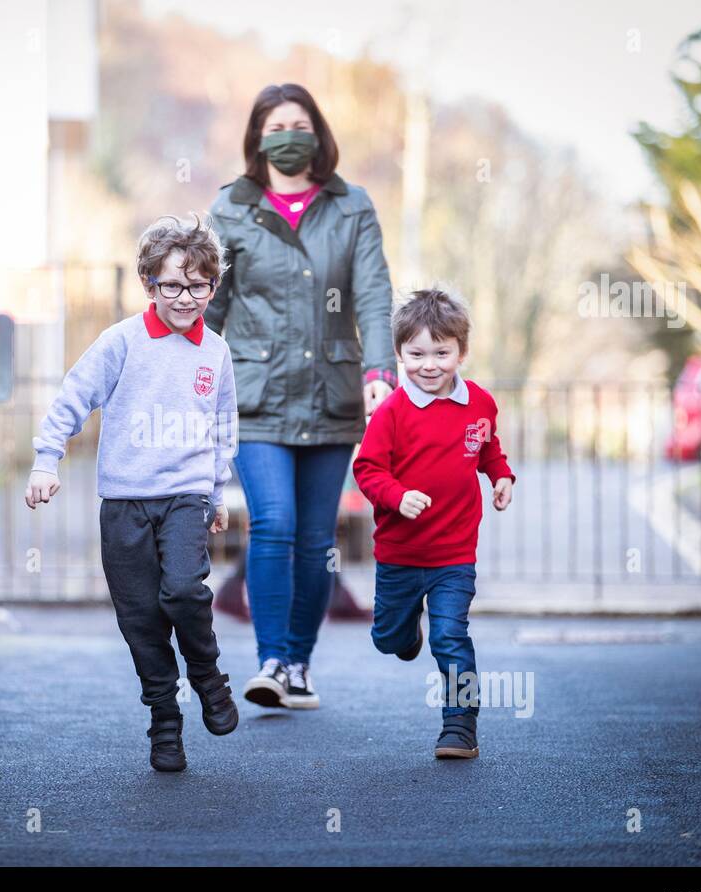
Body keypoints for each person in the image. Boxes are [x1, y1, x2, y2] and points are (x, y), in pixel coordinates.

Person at [25, 214, 240, 773]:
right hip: (124, 500)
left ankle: (208, 675)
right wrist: (47, 460)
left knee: (184, 593)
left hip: (186, 496)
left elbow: (223, 426)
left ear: (213, 286)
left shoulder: (215, 352)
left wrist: (217, 492)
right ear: (149, 284)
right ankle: (165, 720)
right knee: (141, 617)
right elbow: (73, 398)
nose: (186, 297)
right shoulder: (119, 342)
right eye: (172, 285)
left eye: (198, 286)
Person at [205, 82, 395, 710]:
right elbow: (212, 304)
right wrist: (186, 377)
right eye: (277, 125)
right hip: (254, 397)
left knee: (317, 541)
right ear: (259, 137)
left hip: (332, 394)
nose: (289, 135)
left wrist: (378, 372)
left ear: (318, 133)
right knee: (274, 523)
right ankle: (270, 661)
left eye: (301, 124)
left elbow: (370, 293)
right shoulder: (231, 208)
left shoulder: (352, 207)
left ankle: (298, 665)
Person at [351, 288, 515, 759]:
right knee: (388, 640)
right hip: (400, 555)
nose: (429, 364)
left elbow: (488, 447)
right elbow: (367, 469)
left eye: (441, 353)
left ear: (462, 351)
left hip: (454, 555)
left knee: (451, 636)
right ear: (400, 354)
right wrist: (397, 497)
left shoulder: (480, 404)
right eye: (416, 353)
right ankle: (405, 633)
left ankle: (460, 725)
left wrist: (500, 476)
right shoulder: (391, 413)